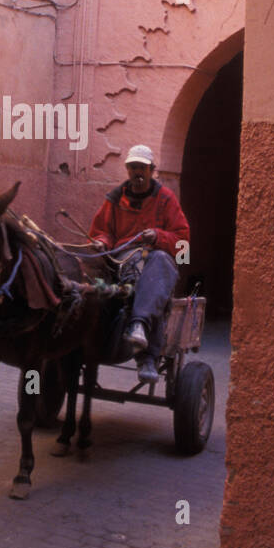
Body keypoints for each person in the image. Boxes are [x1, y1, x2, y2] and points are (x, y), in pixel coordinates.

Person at [89, 145, 190, 383]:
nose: (137, 172)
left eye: (142, 168)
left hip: (156, 261)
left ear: (152, 170)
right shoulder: (114, 199)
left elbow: (183, 241)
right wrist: (102, 242)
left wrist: (158, 236)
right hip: (122, 260)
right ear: (127, 170)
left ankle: (142, 338)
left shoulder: (166, 199)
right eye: (133, 167)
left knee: (158, 265)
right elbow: (101, 231)